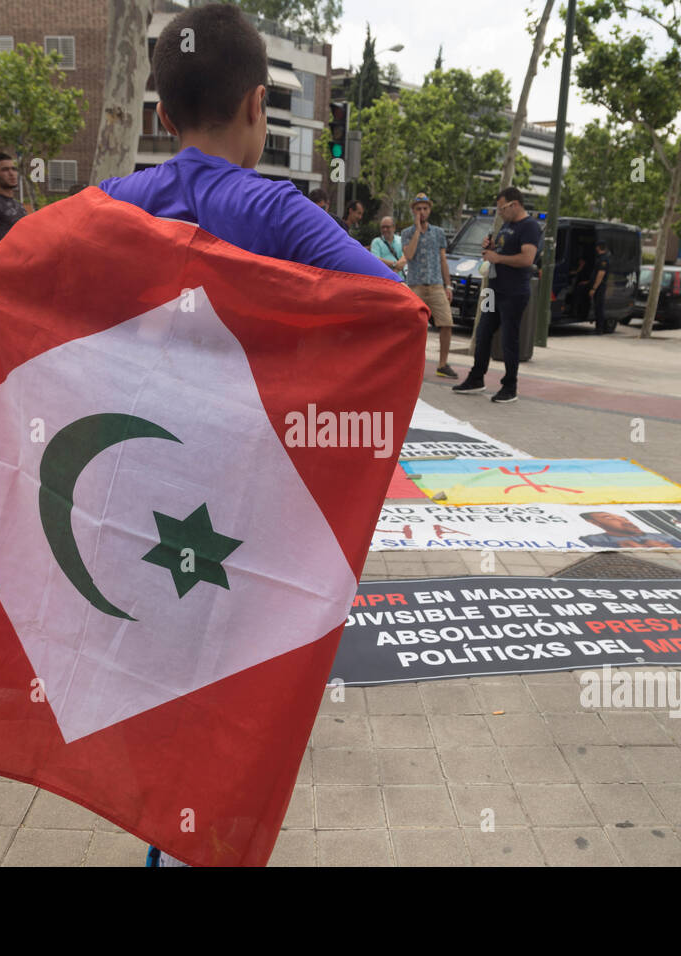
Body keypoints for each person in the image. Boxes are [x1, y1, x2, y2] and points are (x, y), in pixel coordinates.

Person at [95, 2, 400, 865]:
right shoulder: (280, 213)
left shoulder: (112, 204)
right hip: (240, 498)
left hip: (138, 484)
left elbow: (29, 278)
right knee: (227, 693)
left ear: (161, 115)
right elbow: (393, 308)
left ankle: (166, 838)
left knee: (163, 681)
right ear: (259, 105)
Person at [452, 186, 540, 403]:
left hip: (513, 292)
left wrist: (498, 258)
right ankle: (476, 377)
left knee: (509, 339)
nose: (500, 213)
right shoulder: (507, 225)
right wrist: (491, 247)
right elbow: (502, 250)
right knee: (483, 333)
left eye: (502, 208)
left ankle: (510, 386)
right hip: (493, 289)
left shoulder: (529, 227)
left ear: (515, 204)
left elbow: (528, 259)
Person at [400, 192, 456, 379]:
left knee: (446, 322)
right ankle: (410, 364)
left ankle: (442, 364)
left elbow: (443, 260)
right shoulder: (407, 233)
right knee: (415, 327)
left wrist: (448, 286)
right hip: (416, 285)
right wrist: (417, 229)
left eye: (425, 208)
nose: (422, 212)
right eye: (418, 209)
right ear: (413, 211)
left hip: (436, 285)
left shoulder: (438, 232)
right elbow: (408, 255)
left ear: (430, 210)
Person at [578, 512, 681, 549]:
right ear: (594, 522)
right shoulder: (594, 540)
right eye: (610, 518)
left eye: (624, 518)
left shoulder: (664, 537)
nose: (626, 522)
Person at [588, 239, 612, 334]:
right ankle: (598, 328)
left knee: (599, 307)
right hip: (599, 287)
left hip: (600, 287)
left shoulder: (603, 260)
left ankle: (599, 329)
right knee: (597, 307)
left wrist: (594, 288)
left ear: (598, 247)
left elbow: (600, 274)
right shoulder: (602, 258)